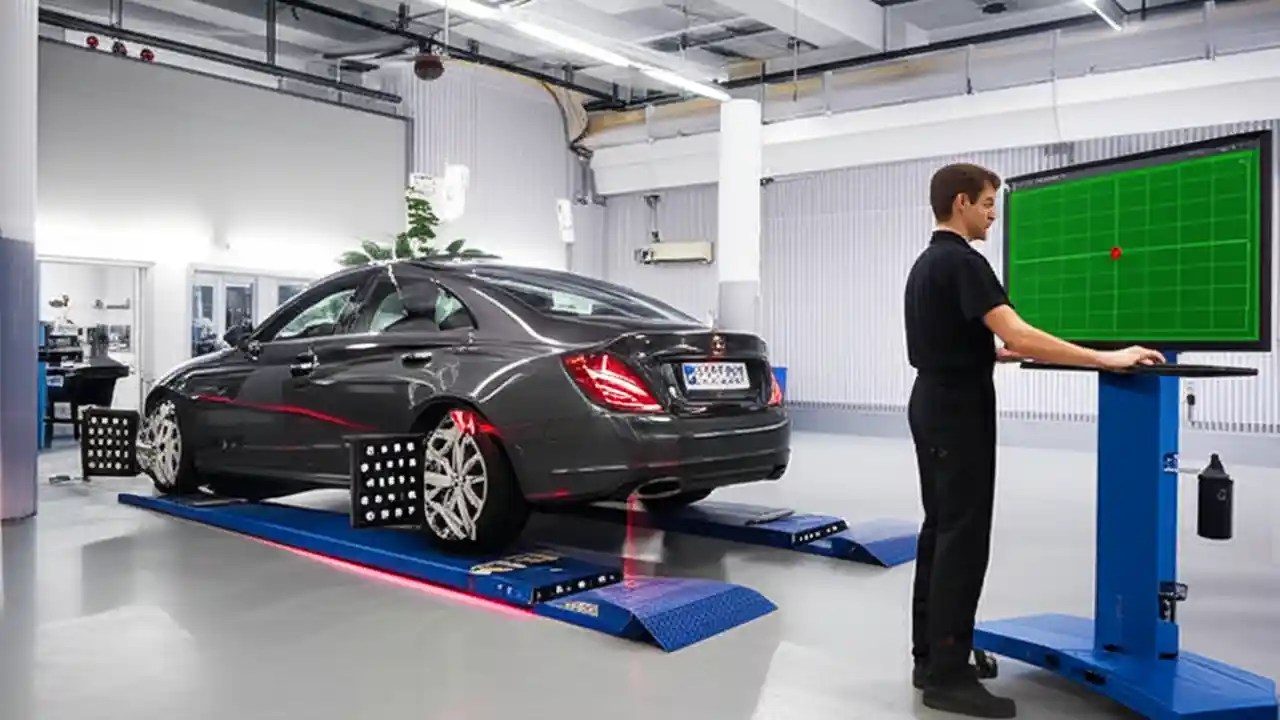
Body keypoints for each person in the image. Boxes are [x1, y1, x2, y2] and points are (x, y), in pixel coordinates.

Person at [903, 163, 1164, 718]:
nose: (994, 213)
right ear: (960, 203)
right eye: (988, 202)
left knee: (941, 531)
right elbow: (1017, 331)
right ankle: (948, 678)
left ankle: (931, 657)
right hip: (958, 412)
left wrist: (986, 352)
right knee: (963, 539)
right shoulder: (965, 262)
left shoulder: (927, 264)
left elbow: (950, 338)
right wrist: (1105, 357)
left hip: (932, 401)